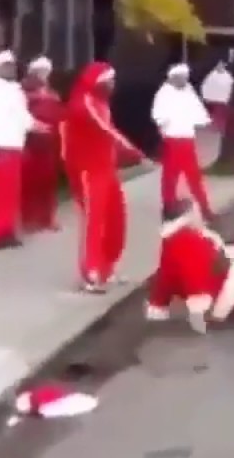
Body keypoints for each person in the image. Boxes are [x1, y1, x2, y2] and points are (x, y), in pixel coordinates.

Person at [61, 62, 144, 293]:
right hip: (89, 171)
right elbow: (105, 130)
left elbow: (107, 135)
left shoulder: (102, 103)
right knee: (94, 221)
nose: (113, 84)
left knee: (117, 218)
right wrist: (133, 151)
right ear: (98, 81)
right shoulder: (83, 102)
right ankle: (91, 273)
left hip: (106, 170)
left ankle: (107, 267)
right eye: (110, 80)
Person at [0, 50, 45, 249]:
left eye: (12, 66)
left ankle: (4, 231)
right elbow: (23, 118)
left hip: (10, 146)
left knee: (8, 192)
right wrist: (36, 125)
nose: (11, 69)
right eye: (6, 66)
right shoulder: (2, 90)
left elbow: (22, 118)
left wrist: (35, 125)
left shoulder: (13, 90)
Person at [152, 63, 214, 221]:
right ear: (173, 77)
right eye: (182, 78)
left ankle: (205, 208)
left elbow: (197, 109)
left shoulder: (188, 91)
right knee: (170, 176)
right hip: (172, 139)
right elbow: (158, 115)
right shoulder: (164, 93)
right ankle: (168, 207)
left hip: (187, 138)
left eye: (186, 78)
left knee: (193, 176)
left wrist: (204, 120)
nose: (185, 80)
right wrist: (164, 127)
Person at [21, 56, 64, 233]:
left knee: (48, 181)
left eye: (47, 71)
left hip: (50, 141)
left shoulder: (51, 92)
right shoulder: (23, 91)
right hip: (30, 142)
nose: (45, 74)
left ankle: (48, 218)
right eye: (41, 71)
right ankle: (28, 218)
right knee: (30, 181)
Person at [199, 60, 234, 131]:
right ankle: (216, 126)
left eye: (221, 65)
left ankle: (221, 127)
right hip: (214, 98)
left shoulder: (228, 76)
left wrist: (231, 96)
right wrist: (205, 96)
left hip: (224, 99)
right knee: (215, 113)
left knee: (222, 114)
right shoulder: (212, 75)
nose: (219, 66)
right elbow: (205, 85)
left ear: (224, 66)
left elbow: (231, 86)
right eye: (218, 65)